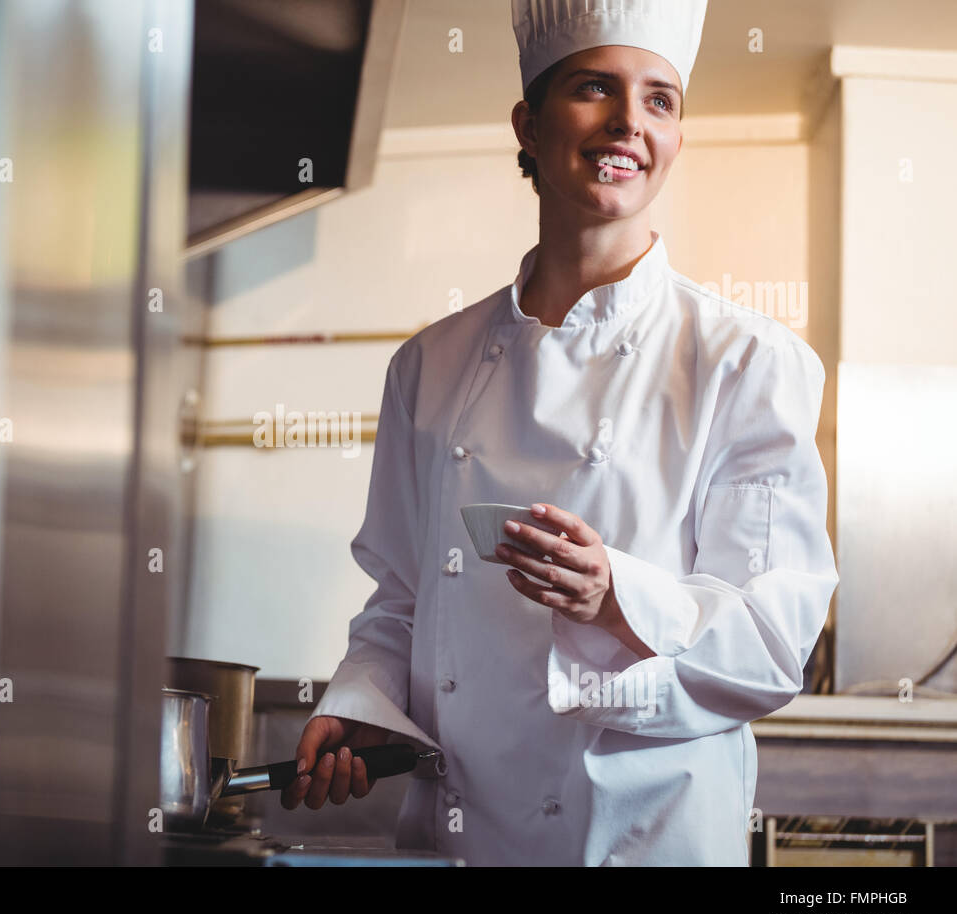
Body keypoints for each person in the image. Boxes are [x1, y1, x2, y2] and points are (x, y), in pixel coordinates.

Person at [280, 0, 839, 865]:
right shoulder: (429, 367)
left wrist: (614, 594)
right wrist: (364, 701)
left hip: (642, 842)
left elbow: (769, 649)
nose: (628, 122)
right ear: (529, 125)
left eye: (660, 100)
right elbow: (400, 604)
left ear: (677, 137)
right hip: (459, 838)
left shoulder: (747, 362)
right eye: (594, 88)